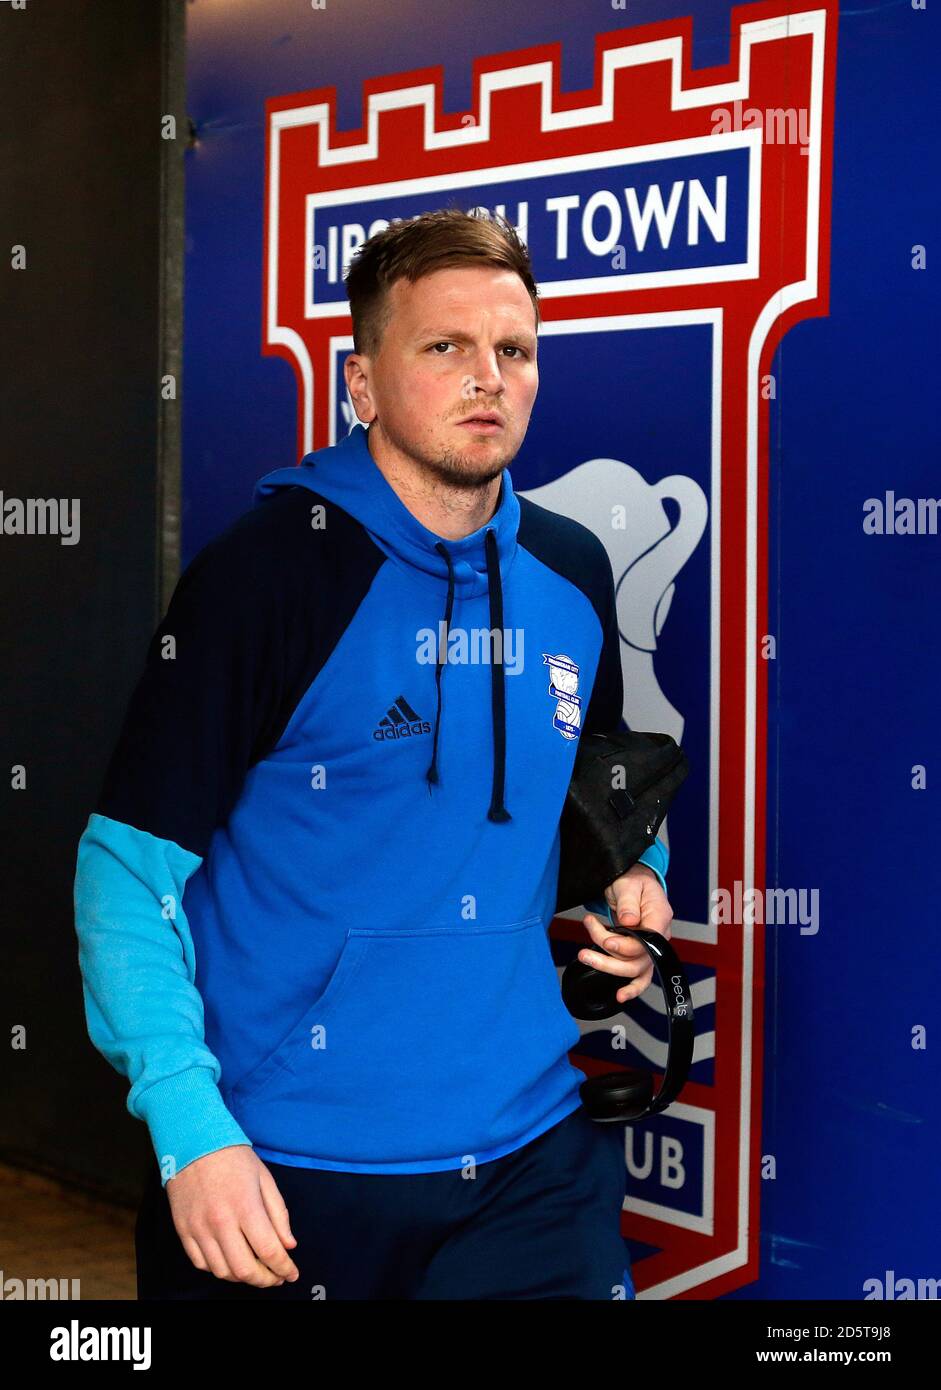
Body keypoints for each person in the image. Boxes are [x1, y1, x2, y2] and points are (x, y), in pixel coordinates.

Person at [73, 208, 674, 1301]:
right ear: (360, 384)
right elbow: (123, 875)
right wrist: (189, 1129)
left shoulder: (573, 570)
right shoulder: (262, 578)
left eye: (513, 349)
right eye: (443, 346)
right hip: (283, 1172)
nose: (485, 376)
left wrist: (634, 887)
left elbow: (607, 788)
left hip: (531, 1159)